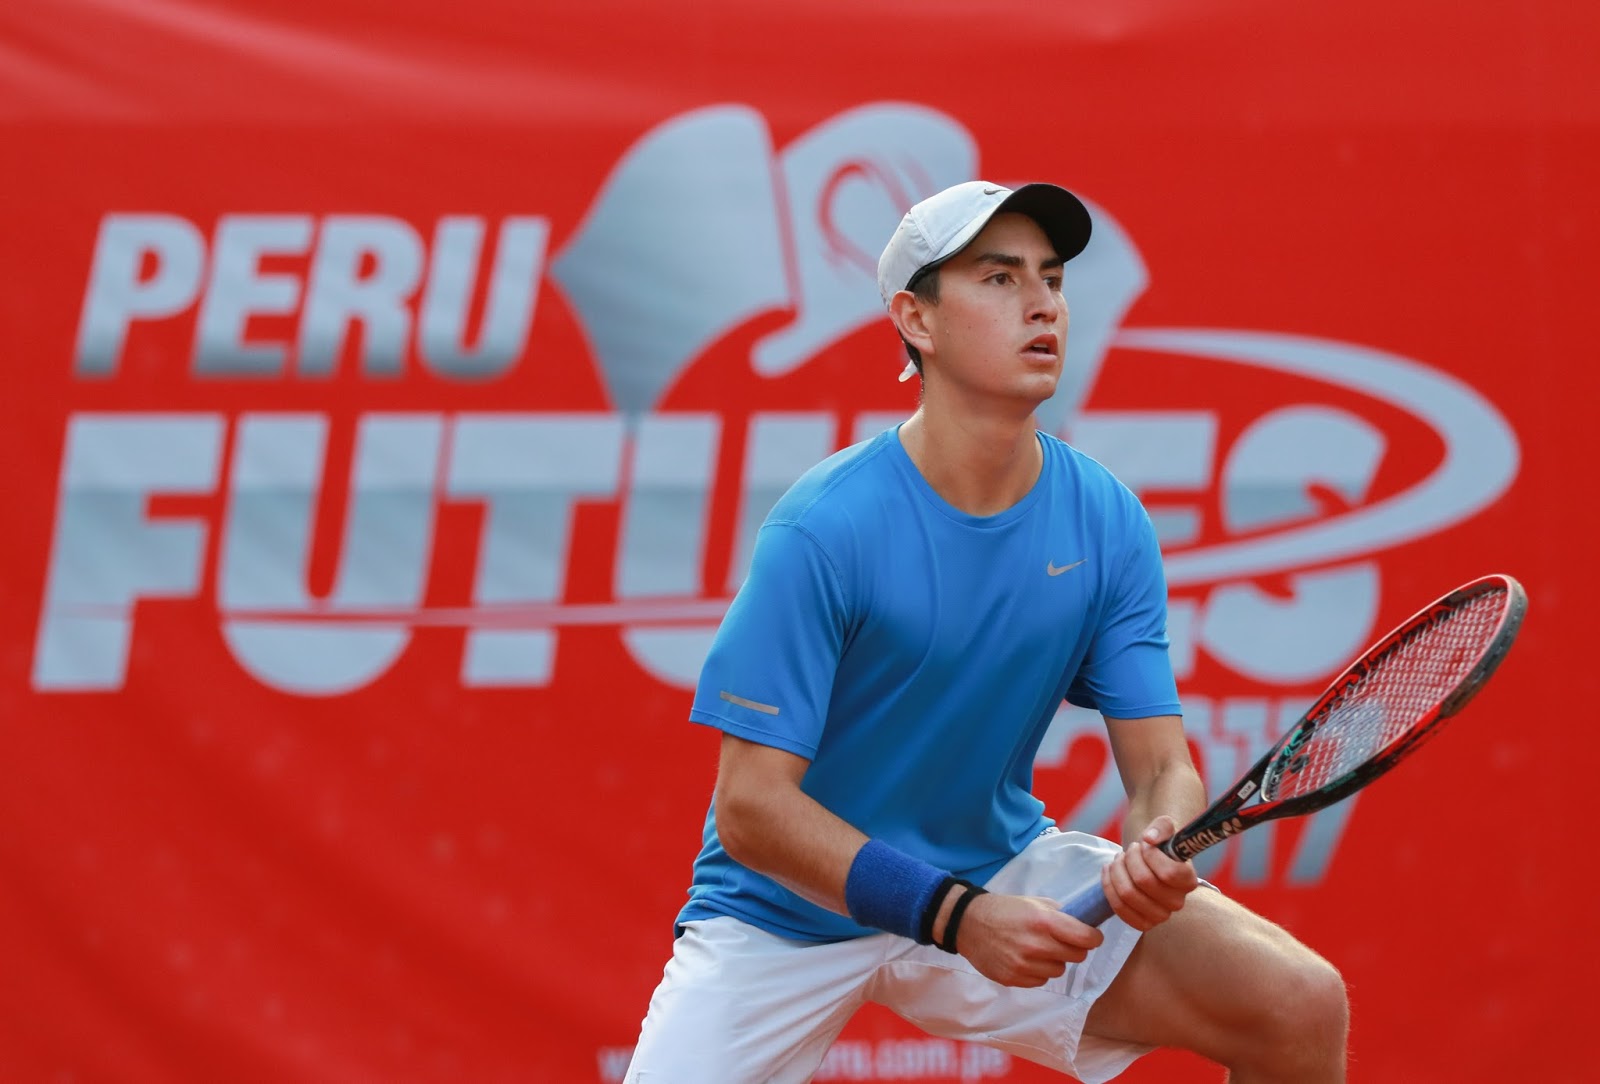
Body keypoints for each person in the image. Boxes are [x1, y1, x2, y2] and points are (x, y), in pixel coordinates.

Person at [624, 181, 1349, 1082]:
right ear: (915, 320)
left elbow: (1161, 766)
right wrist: (955, 916)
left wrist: (1160, 836)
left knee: (1297, 1005)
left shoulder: (1105, 521)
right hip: (788, 912)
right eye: (999, 279)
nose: (1043, 304)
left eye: (1051, 279)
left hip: (995, 865)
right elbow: (751, 809)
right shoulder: (825, 527)